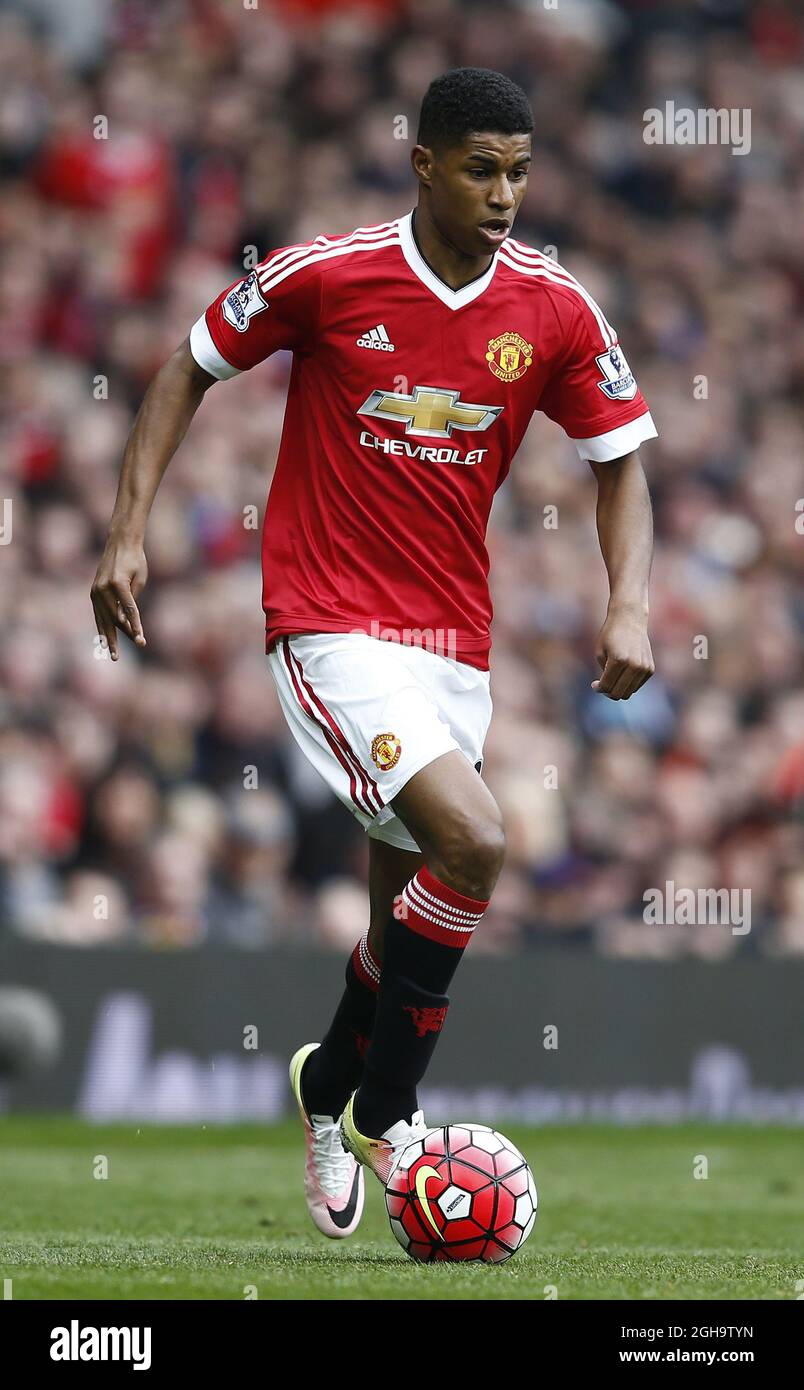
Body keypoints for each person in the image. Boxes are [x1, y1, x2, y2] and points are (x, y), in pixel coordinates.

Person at [91, 67, 657, 1240]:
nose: (504, 194)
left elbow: (621, 459)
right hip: (328, 621)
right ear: (425, 164)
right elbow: (186, 365)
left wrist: (630, 604)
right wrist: (129, 533)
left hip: (455, 646)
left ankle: (320, 1091)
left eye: (519, 171)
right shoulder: (328, 273)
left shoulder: (553, 308)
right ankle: (393, 1117)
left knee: (405, 920)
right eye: (480, 169)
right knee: (482, 837)